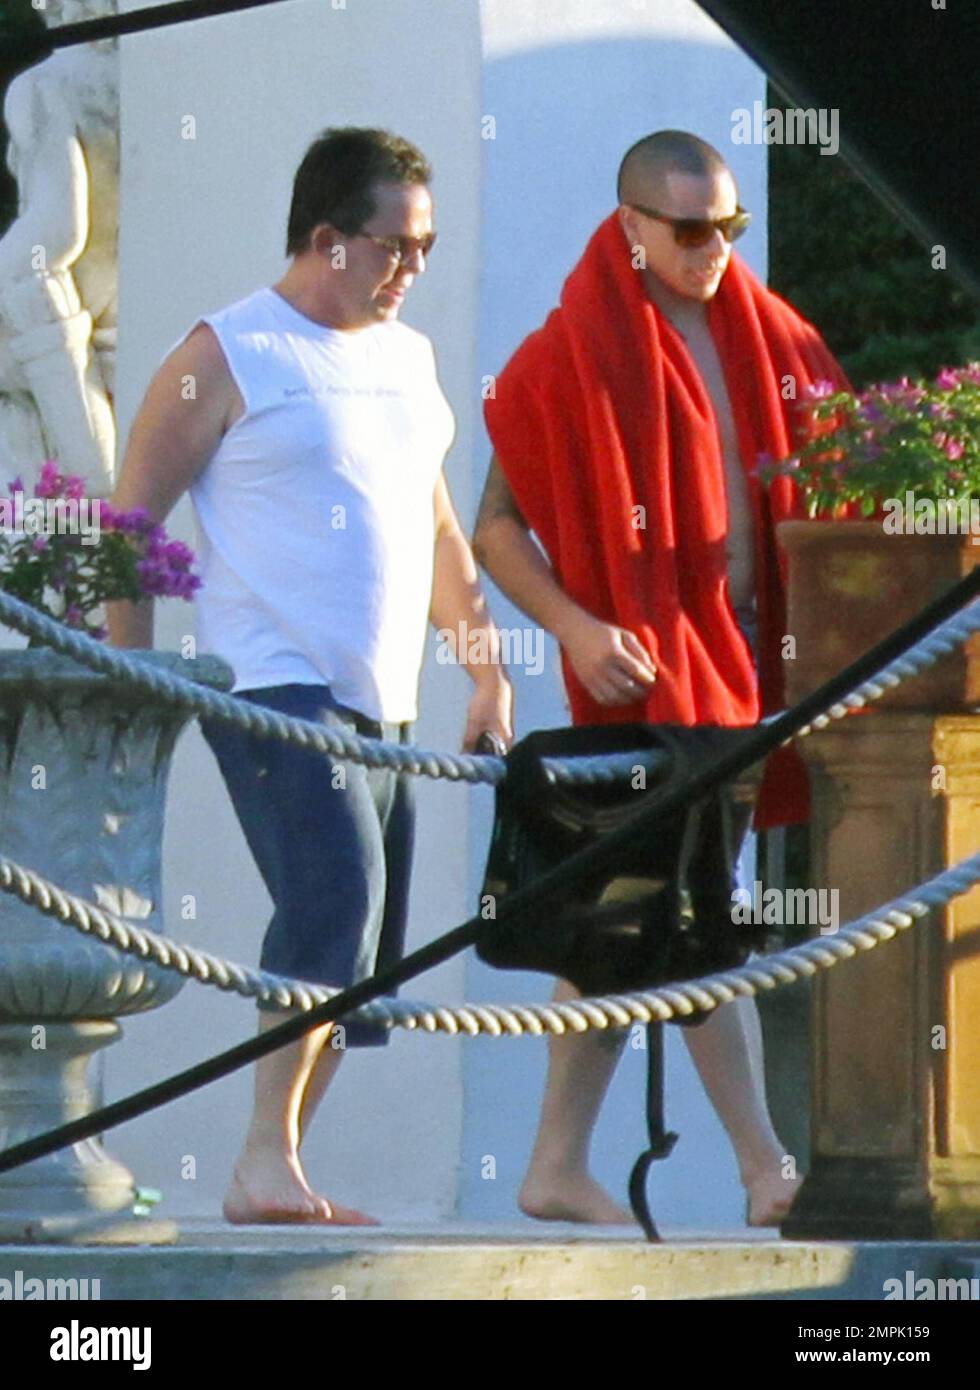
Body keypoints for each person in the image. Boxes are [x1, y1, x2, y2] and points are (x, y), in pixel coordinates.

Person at [107, 127, 513, 1225]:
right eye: (395, 245)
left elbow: (436, 527)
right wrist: (131, 680)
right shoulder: (229, 349)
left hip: (379, 696)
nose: (412, 266)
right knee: (338, 894)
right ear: (327, 237)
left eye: (427, 247)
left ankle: (275, 1160)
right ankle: (260, 1158)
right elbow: (130, 521)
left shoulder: (407, 359)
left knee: (365, 953)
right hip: (268, 682)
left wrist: (485, 670)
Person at [475, 130, 848, 1228]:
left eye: (727, 225)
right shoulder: (570, 350)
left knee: (626, 918)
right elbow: (494, 526)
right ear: (631, 226)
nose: (712, 248)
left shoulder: (773, 335)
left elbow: (847, 470)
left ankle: (555, 1166)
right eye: (688, 230)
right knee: (687, 907)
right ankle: (763, 1167)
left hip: (749, 666)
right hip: (647, 675)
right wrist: (576, 627)